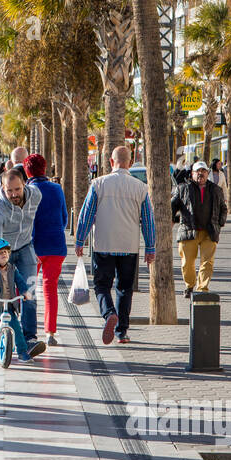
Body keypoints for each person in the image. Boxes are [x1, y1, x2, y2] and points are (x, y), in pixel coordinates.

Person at [75, 145, 157, 345]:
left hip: (103, 244)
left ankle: (109, 313)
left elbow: (86, 215)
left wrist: (80, 241)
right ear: (129, 163)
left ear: (111, 162)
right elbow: (148, 220)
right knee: (125, 288)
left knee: (102, 286)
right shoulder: (140, 188)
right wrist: (150, 247)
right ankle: (122, 332)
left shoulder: (98, 184)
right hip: (129, 246)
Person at [0, 168, 42, 346]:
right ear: (2, 188)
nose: (13, 194)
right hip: (3, 250)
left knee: (30, 292)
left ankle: (30, 338)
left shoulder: (36, 195)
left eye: (17, 189)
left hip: (26, 247)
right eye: (9, 190)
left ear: (24, 185)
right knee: (3, 294)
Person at [25, 153, 68, 347]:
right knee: (50, 289)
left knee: (29, 289)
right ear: (45, 168)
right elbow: (64, 218)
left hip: (33, 247)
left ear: (27, 171)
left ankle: (29, 331)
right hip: (56, 246)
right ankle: (50, 332)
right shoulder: (57, 189)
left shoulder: (28, 191)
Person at [172, 159, 228, 298]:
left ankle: (202, 288)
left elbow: (223, 208)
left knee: (207, 262)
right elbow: (172, 206)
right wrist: (172, 220)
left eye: (203, 171)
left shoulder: (216, 190)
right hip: (188, 230)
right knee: (187, 262)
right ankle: (190, 286)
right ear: (192, 173)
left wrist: (219, 223)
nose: (200, 174)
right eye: (198, 171)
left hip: (209, 232)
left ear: (207, 173)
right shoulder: (182, 188)